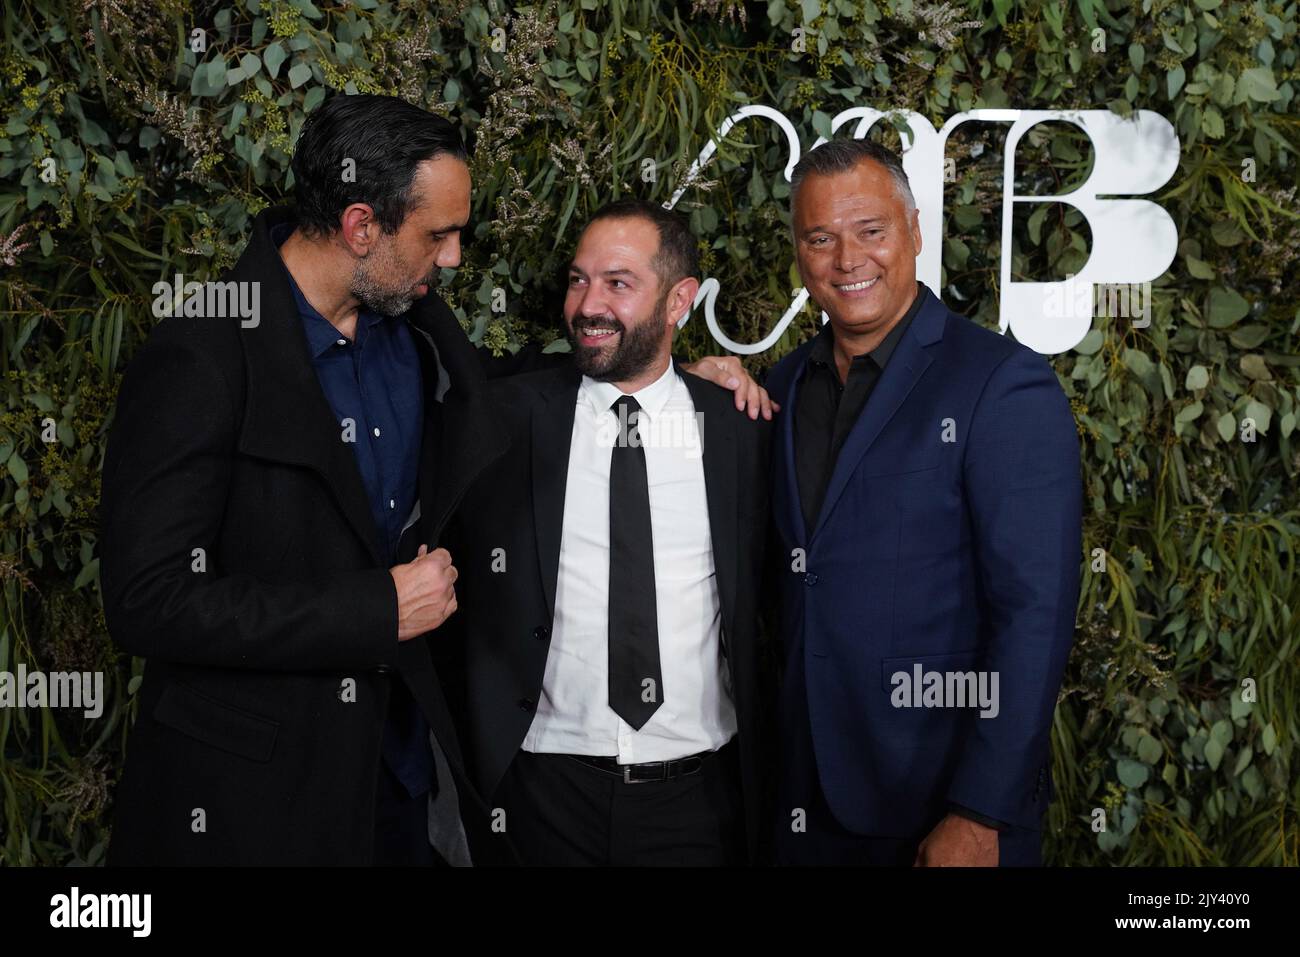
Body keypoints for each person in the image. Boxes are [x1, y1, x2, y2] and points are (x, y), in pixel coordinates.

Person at [100, 93, 769, 865]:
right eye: (438, 234)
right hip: (253, 798)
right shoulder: (203, 356)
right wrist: (374, 605)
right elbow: (147, 601)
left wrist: (667, 373)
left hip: (400, 789)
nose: (452, 256)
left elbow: (519, 391)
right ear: (361, 227)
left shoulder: (411, 334)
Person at [765, 138, 1082, 866]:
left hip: (940, 811)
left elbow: (1034, 613)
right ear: (799, 249)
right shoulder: (780, 390)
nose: (848, 260)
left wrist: (981, 810)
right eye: (821, 237)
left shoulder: (1000, 384)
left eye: (870, 231)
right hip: (798, 806)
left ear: (914, 232)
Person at [440, 200, 775, 865]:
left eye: (618, 283)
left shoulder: (739, 431)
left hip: (699, 801)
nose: (588, 304)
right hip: (538, 795)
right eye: (577, 279)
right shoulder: (503, 420)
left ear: (679, 299)